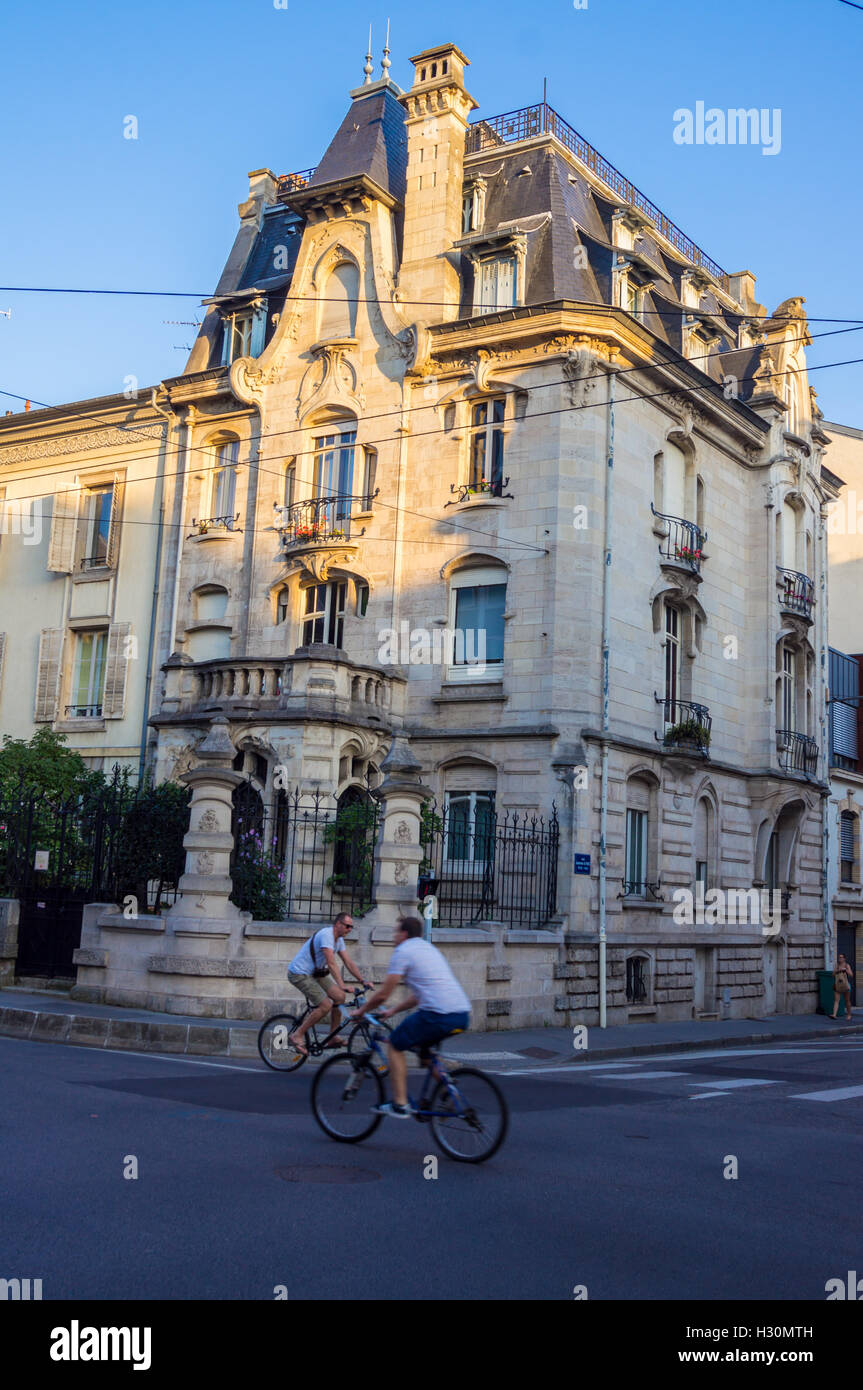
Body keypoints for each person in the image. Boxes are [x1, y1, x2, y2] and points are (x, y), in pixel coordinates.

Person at [350, 915, 470, 1118]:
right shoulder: (428, 949)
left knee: (395, 1045)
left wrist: (361, 1011)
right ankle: (448, 1089)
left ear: (404, 934)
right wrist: (393, 1011)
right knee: (425, 1052)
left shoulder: (402, 951)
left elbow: (382, 994)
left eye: (396, 931)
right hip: (460, 1015)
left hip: (437, 1015)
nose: (394, 936)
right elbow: (417, 996)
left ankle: (400, 1104)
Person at [287, 914, 370, 1055]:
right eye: (347, 926)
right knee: (325, 1005)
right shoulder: (327, 935)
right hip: (299, 973)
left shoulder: (339, 940)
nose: (350, 929)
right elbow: (331, 963)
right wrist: (342, 984)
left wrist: (363, 980)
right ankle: (297, 1035)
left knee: (340, 997)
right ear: (338, 923)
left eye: (352, 927)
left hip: (315, 973)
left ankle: (332, 1036)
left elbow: (348, 962)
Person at [830, 953, 854, 1020]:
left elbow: (851, 975)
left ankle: (849, 1014)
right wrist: (838, 970)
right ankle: (834, 1015)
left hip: (845, 985)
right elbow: (833, 974)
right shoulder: (837, 965)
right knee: (836, 1000)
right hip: (838, 985)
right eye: (839, 957)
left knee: (847, 1001)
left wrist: (845, 970)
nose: (840, 958)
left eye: (841, 957)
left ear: (844, 958)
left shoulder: (847, 965)